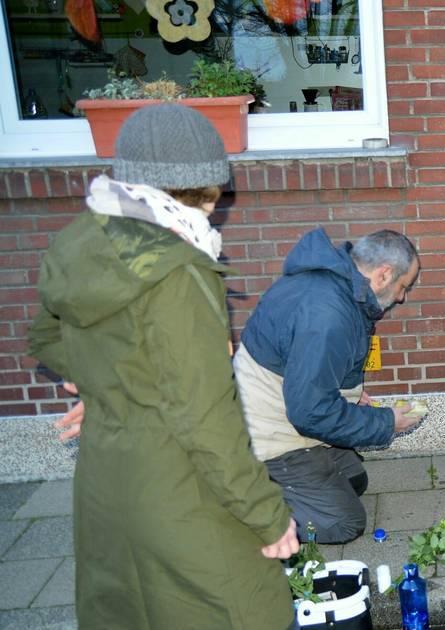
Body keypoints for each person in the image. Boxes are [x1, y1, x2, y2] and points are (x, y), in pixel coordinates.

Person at [26, 103, 298, 629]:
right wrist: (267, 516)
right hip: (179, 490)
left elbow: (45, 335)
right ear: (201, 185)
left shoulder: (81, 239)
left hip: (105, 482)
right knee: (243, 611)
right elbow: (206, 420)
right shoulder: (179, 271)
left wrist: (106, 387)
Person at [234, 227, 424, 544]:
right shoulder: (328, 313)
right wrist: (387, 422)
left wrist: (351, 394)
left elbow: (310, 366)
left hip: (286, 409)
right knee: (344, 522)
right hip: (268, 434)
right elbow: (310, 412)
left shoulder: (335, 285)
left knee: (355, 479)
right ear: (384, 274)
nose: (402, 297)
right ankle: (239, 504)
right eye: (404, 286)